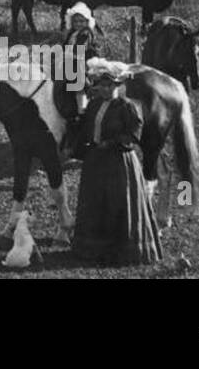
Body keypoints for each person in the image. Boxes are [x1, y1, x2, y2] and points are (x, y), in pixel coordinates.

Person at [65, 65, 163, 266]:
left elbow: (134, 134)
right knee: (95, 203)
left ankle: (120, 251)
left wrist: (111, 142)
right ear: (98, 87)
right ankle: (93, 249)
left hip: (119, 163)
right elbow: (85, 129)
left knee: (117, 203)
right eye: (103, 86)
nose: (107, 90)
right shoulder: (93, 105)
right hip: (96, 162)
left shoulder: (126, 106)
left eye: (111, 86)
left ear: (117, 87)